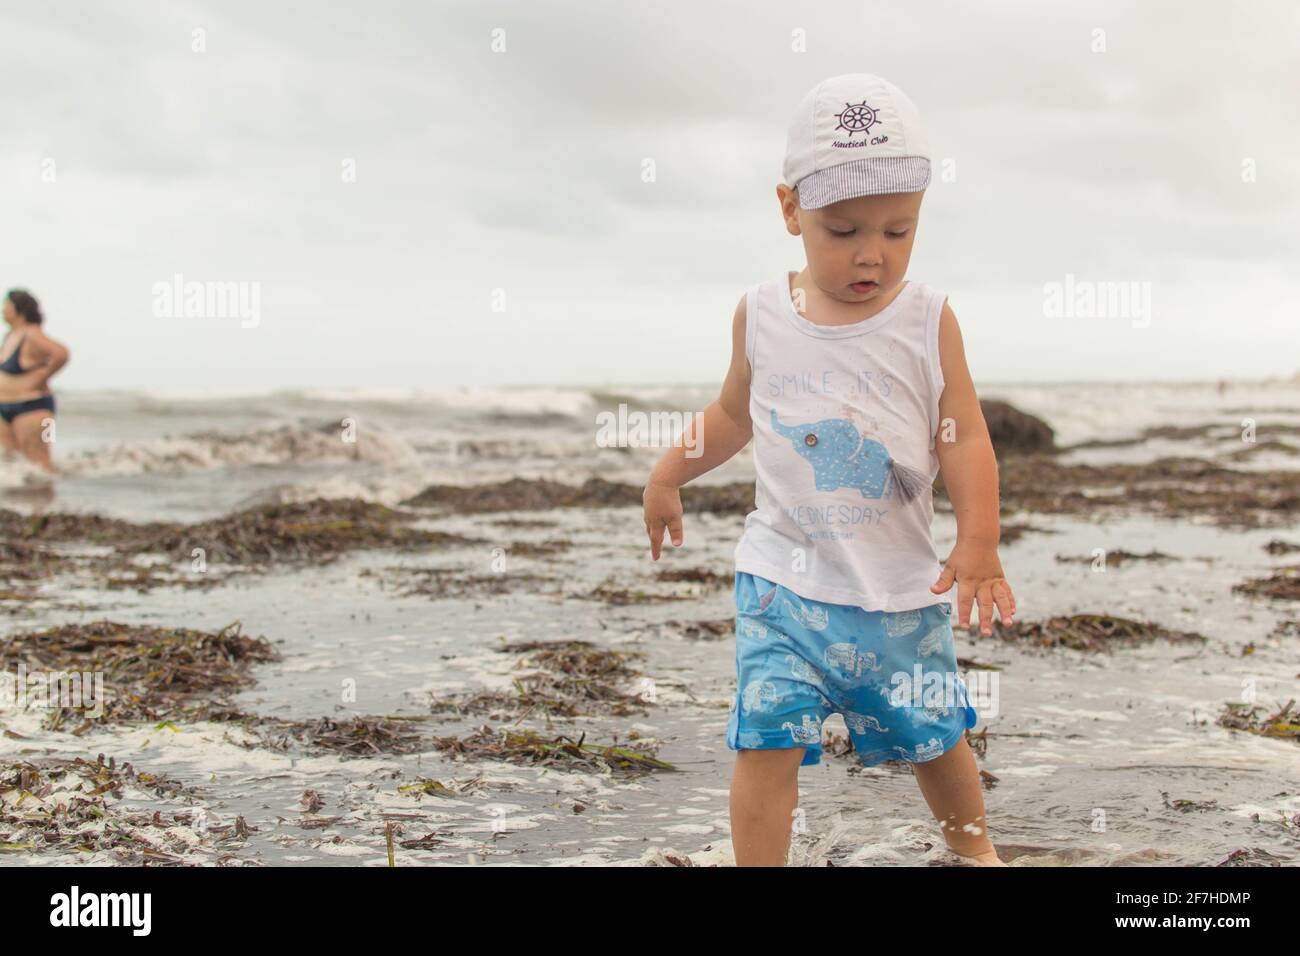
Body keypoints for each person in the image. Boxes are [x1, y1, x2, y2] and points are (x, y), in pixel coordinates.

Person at [642, 74, 1016, 867]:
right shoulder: (763, 314)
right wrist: (669, 472)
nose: (871, 254)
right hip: (780, 585)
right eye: (842, 230)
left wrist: (978, 537)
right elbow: (737, 413)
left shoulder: (927, 318)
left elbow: (963, 435)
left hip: (897, 593)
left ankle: (976, 856)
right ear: (790, 211)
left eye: (897, 230)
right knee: (766, 739)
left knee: (935, 736)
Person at [0, 289, 70, 475]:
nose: (3, 310)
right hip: (4, 407)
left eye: (6, 306)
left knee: (40, 462)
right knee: (12, 461)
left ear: (19, 310)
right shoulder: (9, 336)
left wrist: (43, 376)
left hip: (33, 407)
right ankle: (19, 503)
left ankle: (50, 503)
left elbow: (61, 353)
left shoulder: (31, 333)